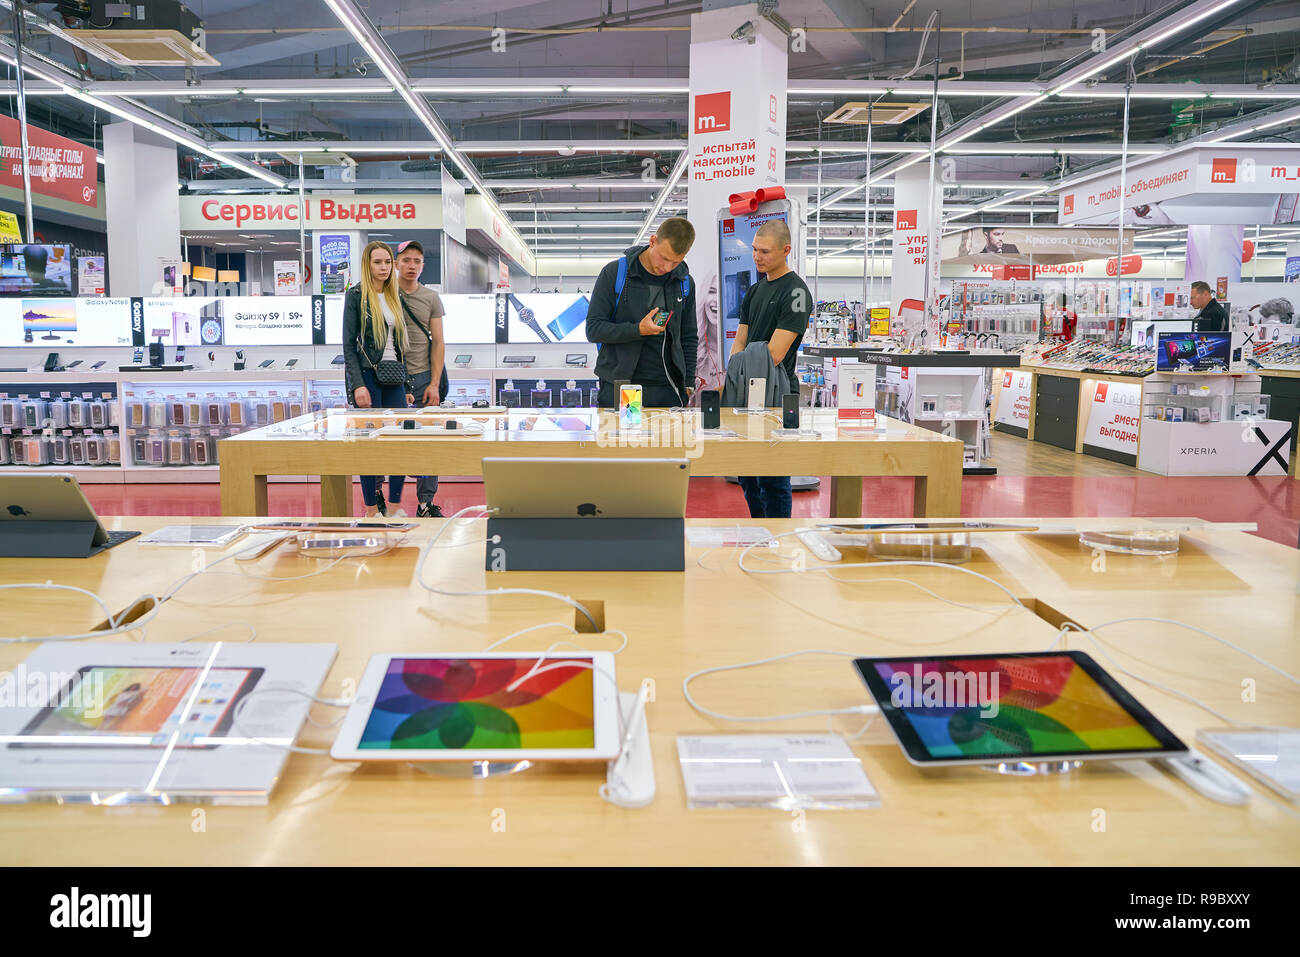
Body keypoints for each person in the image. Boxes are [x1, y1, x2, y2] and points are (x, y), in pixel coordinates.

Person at [730, 220, 812, 519]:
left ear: (786, 250)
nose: (757, 256)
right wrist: (735, 375)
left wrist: (739, 365)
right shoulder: (754, 291)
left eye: (764, 251)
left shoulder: (796, 292)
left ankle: (778, 537)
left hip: (778, 393)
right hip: (746, 391)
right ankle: (759, 531)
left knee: (773, 477)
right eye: (754, 249)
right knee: (747, 474)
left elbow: (774, 354)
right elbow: (739, 342)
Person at [585, 217, 698, 408]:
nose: (667, 268)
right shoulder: (615, 273)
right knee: (627, 429)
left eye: (675, 262)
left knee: (669, 430)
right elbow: (594, 329)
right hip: (624, 386)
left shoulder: (684, 282)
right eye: (664, 258)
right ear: (653, 241)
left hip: (669, 389)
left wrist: (688, 383)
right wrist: (638, 330)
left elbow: (688, 336)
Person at [343, 240, 414, 519]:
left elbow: (400, 346)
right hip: (368, 376)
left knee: (400, 443)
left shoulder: (395, 295)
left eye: (387, 262)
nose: (384, 267)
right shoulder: (356, 296)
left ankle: (394, 507)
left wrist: (406, 385)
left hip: (394, 376)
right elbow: (349, 345)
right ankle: (371, 510)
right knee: (368, 446)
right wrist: (357, 385)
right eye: (377, 262)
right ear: (367, 264)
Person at [394, 239, 446, 518]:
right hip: (392, 380)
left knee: (429, 442)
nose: (411, 266)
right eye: (406, 260)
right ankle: (385, 503)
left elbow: (438, 342)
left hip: (424, 378)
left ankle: (426, 504)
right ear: (396, 263)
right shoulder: (384, 295)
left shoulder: (431, 298)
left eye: (417, 261)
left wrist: (434, 384)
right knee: (391, 441)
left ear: (423, 266)